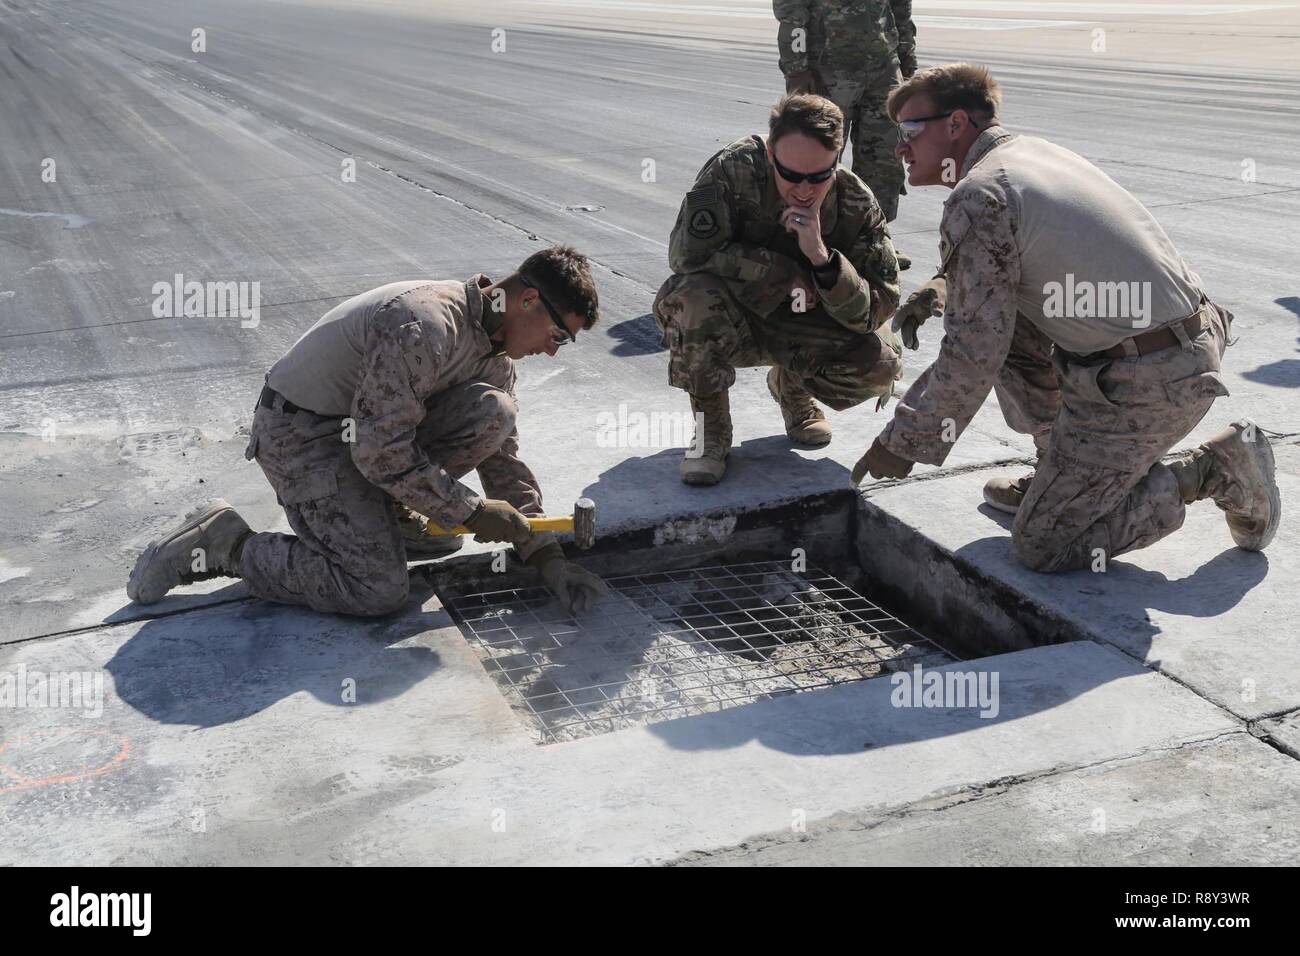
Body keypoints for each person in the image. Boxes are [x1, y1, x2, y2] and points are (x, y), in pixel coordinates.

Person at [853, 63, 1281, 571]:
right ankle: (1064, 470)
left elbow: (972, 352)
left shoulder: (980, 195)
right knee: (1007, 328)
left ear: (955, 124)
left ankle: (1212, 470)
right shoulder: (1026, 154)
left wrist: (907, 440)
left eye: (909, 131)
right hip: (1177, 346)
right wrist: (946, 284)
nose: (900, 147)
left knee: (1043, 546)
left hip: (1153, 380)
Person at [128, 245, 609, 615]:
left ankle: (385, 515)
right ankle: (226, 543)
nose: (553, 351)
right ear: (527, 300)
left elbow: (501, 456)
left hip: (358, 435)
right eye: (558, 336)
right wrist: (470, 509)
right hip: (302, 437)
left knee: (494, 412)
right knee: (376, 589)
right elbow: (379, 449)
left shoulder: (494, 351)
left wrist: (547, 559)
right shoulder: (424, 325)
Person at [654, 93, 903, 485]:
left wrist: (823, 259)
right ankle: (711, 430)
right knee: (692, 297)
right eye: (791, 175)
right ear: (770, 154)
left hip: (802, 325)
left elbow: (877, 309)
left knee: (881, 365)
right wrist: (782, 272)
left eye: (819, 176)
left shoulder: (856, 203)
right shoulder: (732, 172)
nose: (804, 190)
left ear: (837, 160)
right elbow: (685, 255)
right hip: (736, 319)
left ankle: (792, 386)